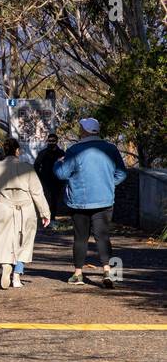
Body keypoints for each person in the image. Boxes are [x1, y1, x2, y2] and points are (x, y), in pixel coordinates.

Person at [54, 117, 127, 289]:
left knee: (80, 238)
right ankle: (108, 271)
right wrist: (108, 183)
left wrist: (57, 164)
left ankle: (78, 274)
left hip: (79, 201)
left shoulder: (74, 150)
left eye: (80, 128)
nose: (79, 130)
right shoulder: (111, 149)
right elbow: (122, 173)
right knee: (102, 236)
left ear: (85, 131)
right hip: (104, 200)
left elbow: (62, 175)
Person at [0, 137, 51, 288]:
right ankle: (16, 276)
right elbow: (37, 193)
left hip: (2, 207)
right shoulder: (27, 168)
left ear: (4, 151)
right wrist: (45, 213)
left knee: (3, 240)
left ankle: (6, 264)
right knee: (24, 242)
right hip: (25, 209)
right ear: (17, 151)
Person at [33, 132, 65, 226]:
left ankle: (53, 217)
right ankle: (46, 218)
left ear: (56, 141)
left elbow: (65, 165)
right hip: (46, 180)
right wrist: (40, 177)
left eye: (53, 141)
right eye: (49, 141)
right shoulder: (43, 153)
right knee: (46, 199)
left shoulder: (61, 153)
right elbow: (36, 165)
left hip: (57, 180)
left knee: (55, 199)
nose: (51, 142)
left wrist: (63, 178)